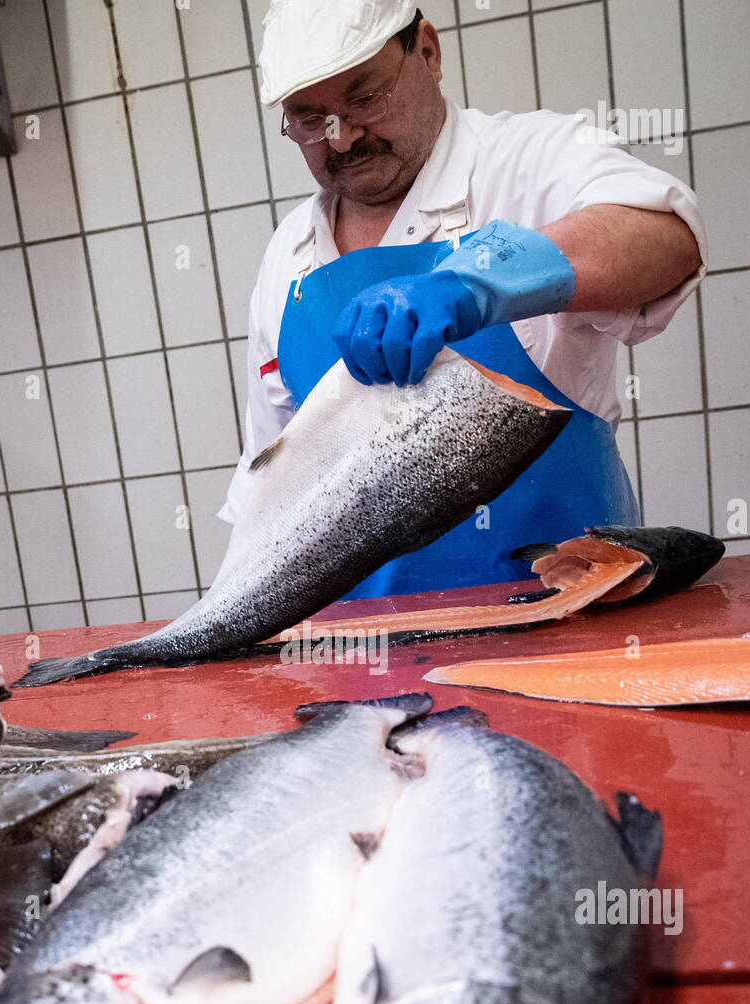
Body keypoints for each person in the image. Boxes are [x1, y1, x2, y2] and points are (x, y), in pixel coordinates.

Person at [218, 0, 705, 598]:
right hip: (359, 659)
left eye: (365, 99)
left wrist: (475, 282)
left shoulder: (527, 160)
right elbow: (270, 485)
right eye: (310, 119)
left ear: (426, 49)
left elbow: (667, 239)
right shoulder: (287, 256)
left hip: (564, 628)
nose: (341, 140)